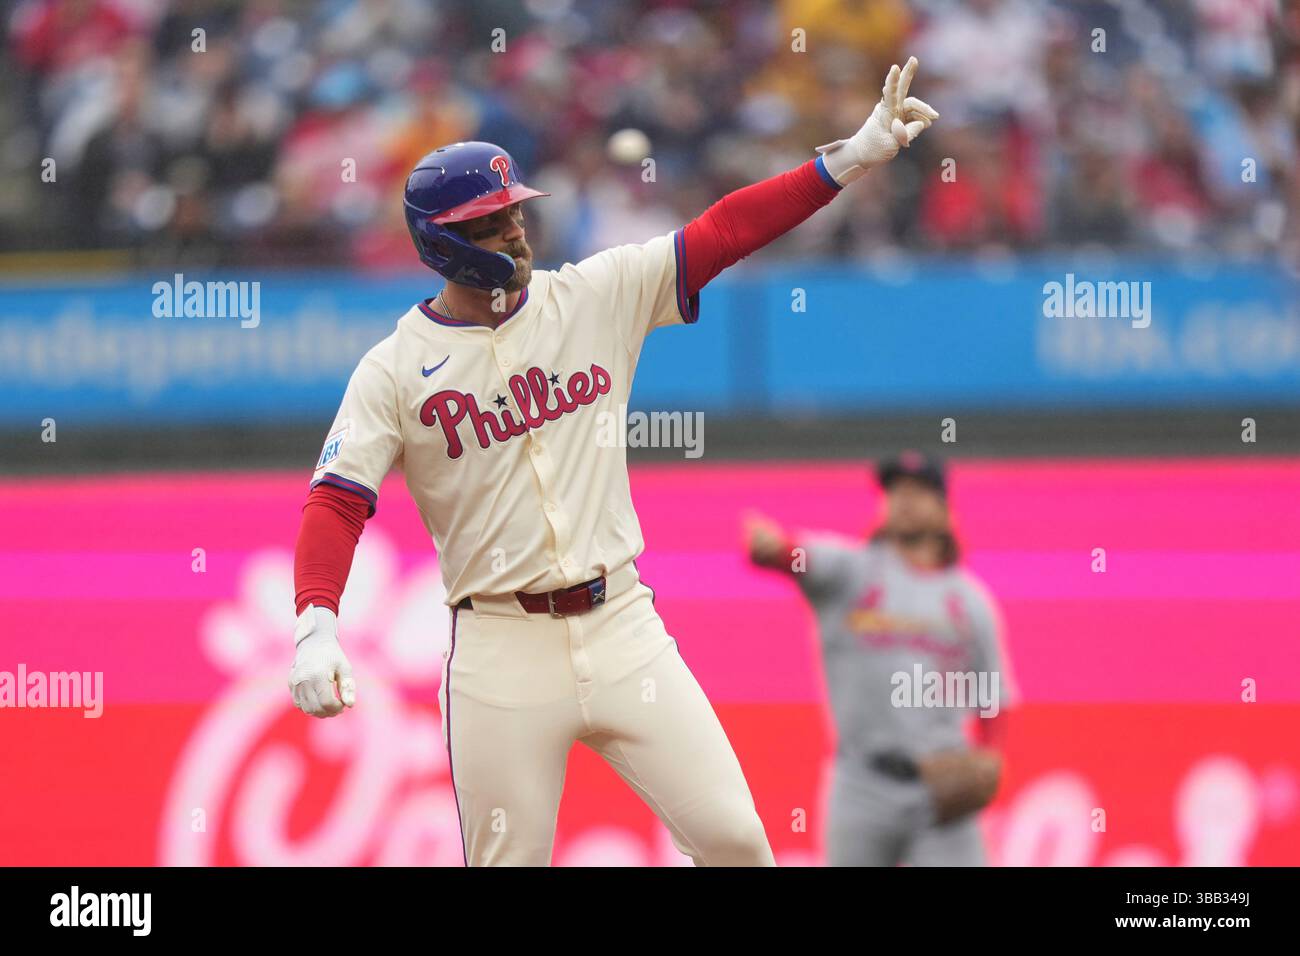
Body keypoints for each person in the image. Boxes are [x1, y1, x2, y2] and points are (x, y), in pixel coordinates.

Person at [288, 60, 939, 867]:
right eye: (491, 224)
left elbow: (723, 232)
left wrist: (846, 161)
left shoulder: (591, 296)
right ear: (442, 242)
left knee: (738, 842)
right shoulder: (392, 368)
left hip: (624, 622)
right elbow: (337, 500)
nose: (516, 233)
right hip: (500, 645)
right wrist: (316, 623)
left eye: (516, 215)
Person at [745, 452, 1014, 866]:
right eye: (894, 490)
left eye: (917, 490)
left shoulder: (968, 600)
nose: (903, 499)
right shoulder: (854, 574)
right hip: (861, 785)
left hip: (942, 789)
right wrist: (775, 548)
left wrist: (991, 756)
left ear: (944, 508)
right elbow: (802, 556)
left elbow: (992, 694)